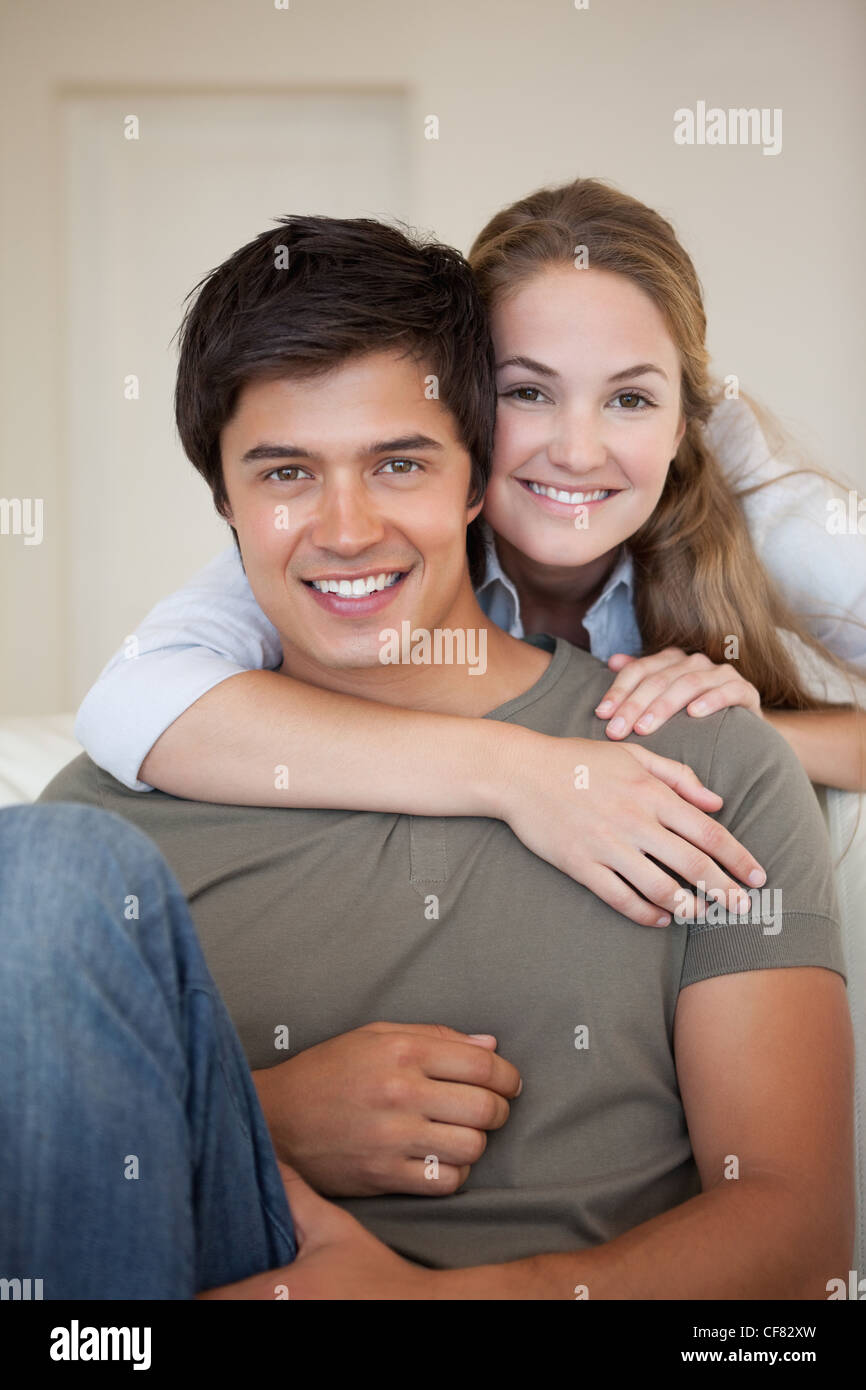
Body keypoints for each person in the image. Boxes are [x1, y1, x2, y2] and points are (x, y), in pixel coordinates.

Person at [36, 213, 854, 1298]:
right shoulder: (104, 814)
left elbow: (795, 1227)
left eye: (398, 463)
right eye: (284, 473)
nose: (343, 527)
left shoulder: (702, 762)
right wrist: (257, 1115)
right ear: (224, 503)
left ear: (474, 480)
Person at [72, 180, 866, 942]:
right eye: (528, 392)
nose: (578, 451)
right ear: (463, 407)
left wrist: (750, 742)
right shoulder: (367, 540)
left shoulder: (749, 498)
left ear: (687, 422)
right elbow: (133, 702)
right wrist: (519, 770)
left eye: (630, 399)